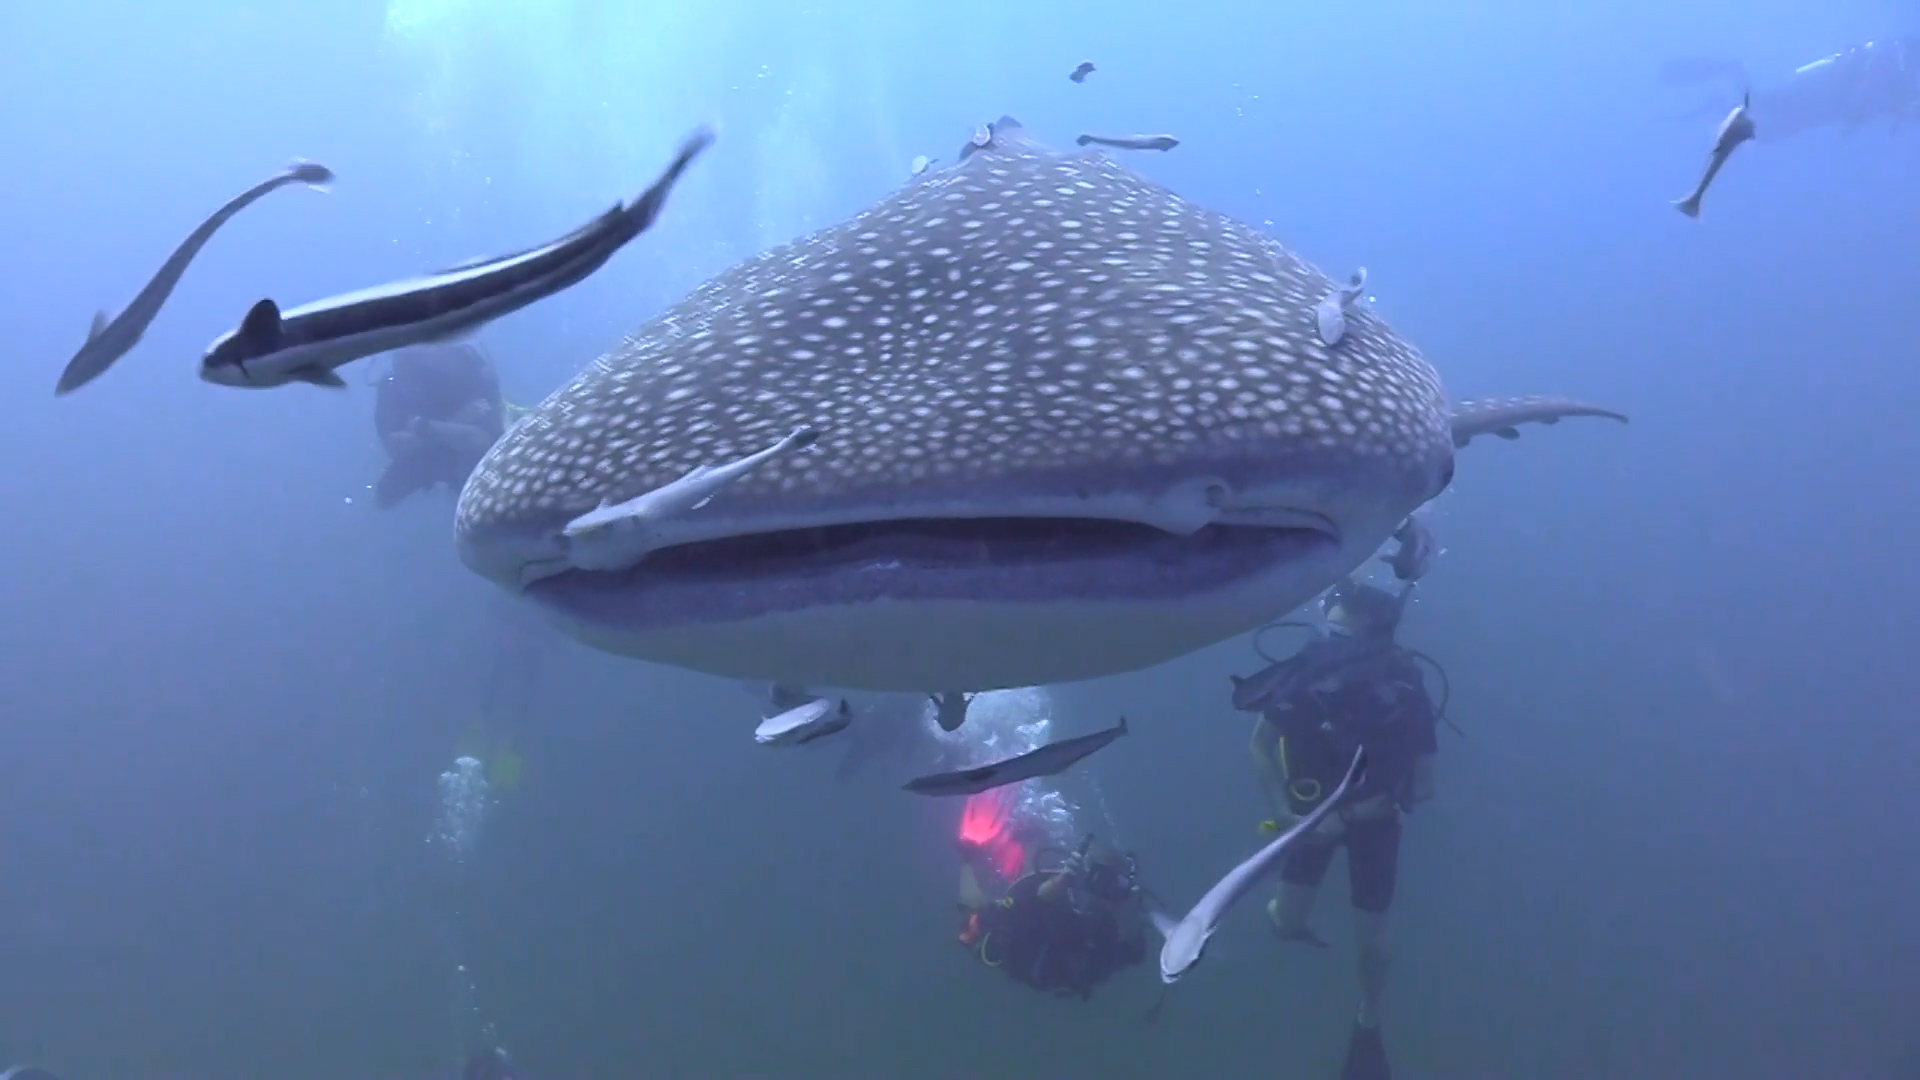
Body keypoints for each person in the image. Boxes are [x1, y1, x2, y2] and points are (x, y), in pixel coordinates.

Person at [1244, 578, 1438, 1080]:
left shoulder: (1405, 688)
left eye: (1343, 641)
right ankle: (1302, 917)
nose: (1329, 651)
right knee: (1284, 923)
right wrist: (1285, 812)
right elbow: (1260, 745)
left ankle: (1367, 1016)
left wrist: (1354, 814)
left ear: (1376, 643)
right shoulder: (1302, 676)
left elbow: (1424, 785)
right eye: (1326, 634)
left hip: (1373, 827)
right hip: (1307, 818)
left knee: (1370, 943)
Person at [957, 833, 1151, 1000]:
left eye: (1115, 881)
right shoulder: (1069, 892)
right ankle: (974, 856)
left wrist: (1130, 911)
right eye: (1099, 876)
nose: (1104, 886)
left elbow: (1132, 953)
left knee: (989, 908)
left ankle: (973, 857)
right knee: (986, 911)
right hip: (1029, 941)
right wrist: (1063, 880)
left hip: (1048, 962)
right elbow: (1039, 895)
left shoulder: (1105, 927)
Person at [372, 343, 512, 509]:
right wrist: (454, 424)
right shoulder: (392, 386)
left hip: (465, 452)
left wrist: (421, 428)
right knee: (384, 495)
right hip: (433, 453)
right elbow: (395, 448)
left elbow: (481, 440)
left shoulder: (466, 366)